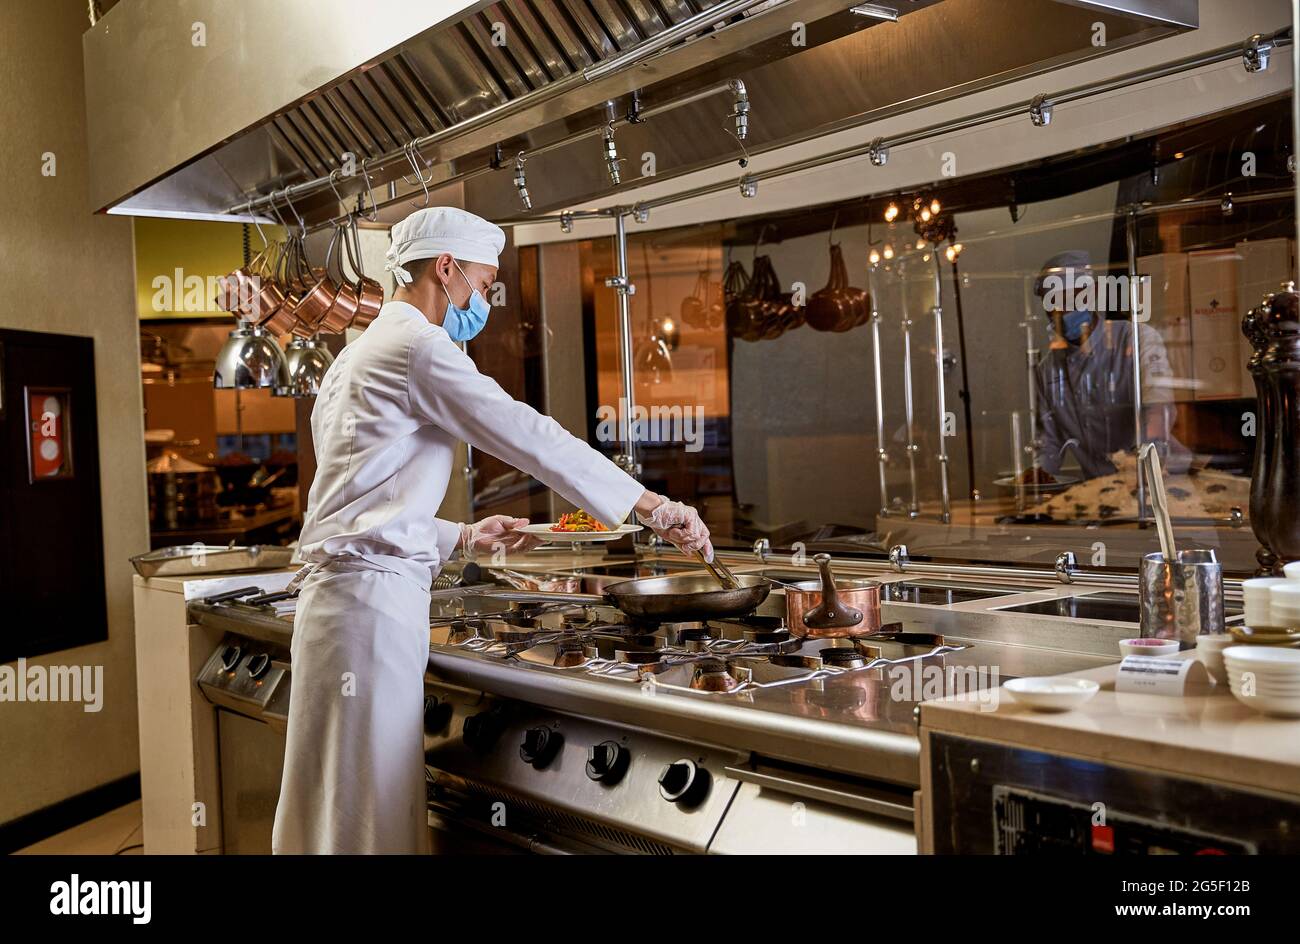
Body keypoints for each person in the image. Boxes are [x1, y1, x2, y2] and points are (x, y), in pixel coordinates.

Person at [272, 206, 711, 854]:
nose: (482, 301)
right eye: (481, 284)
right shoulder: (415, 347)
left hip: (338, 611)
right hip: (369, 614)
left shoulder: (355, 354)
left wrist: (464, 538)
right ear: (444, 268)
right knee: (371, 817)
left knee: (331, 811)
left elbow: (360, 502)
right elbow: (526, 433)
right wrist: (649, 504)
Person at [1031, 250, 1186, 479]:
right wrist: (1038, 473)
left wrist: (1145, 449)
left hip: (1158, 478)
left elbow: (1158, 407)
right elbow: (1049, 443)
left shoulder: (1137, 338)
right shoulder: (1047, 371)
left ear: (1089, 294)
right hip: (1101, 490)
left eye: (1067, 298)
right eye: (1052, 303)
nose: (1060, 311)